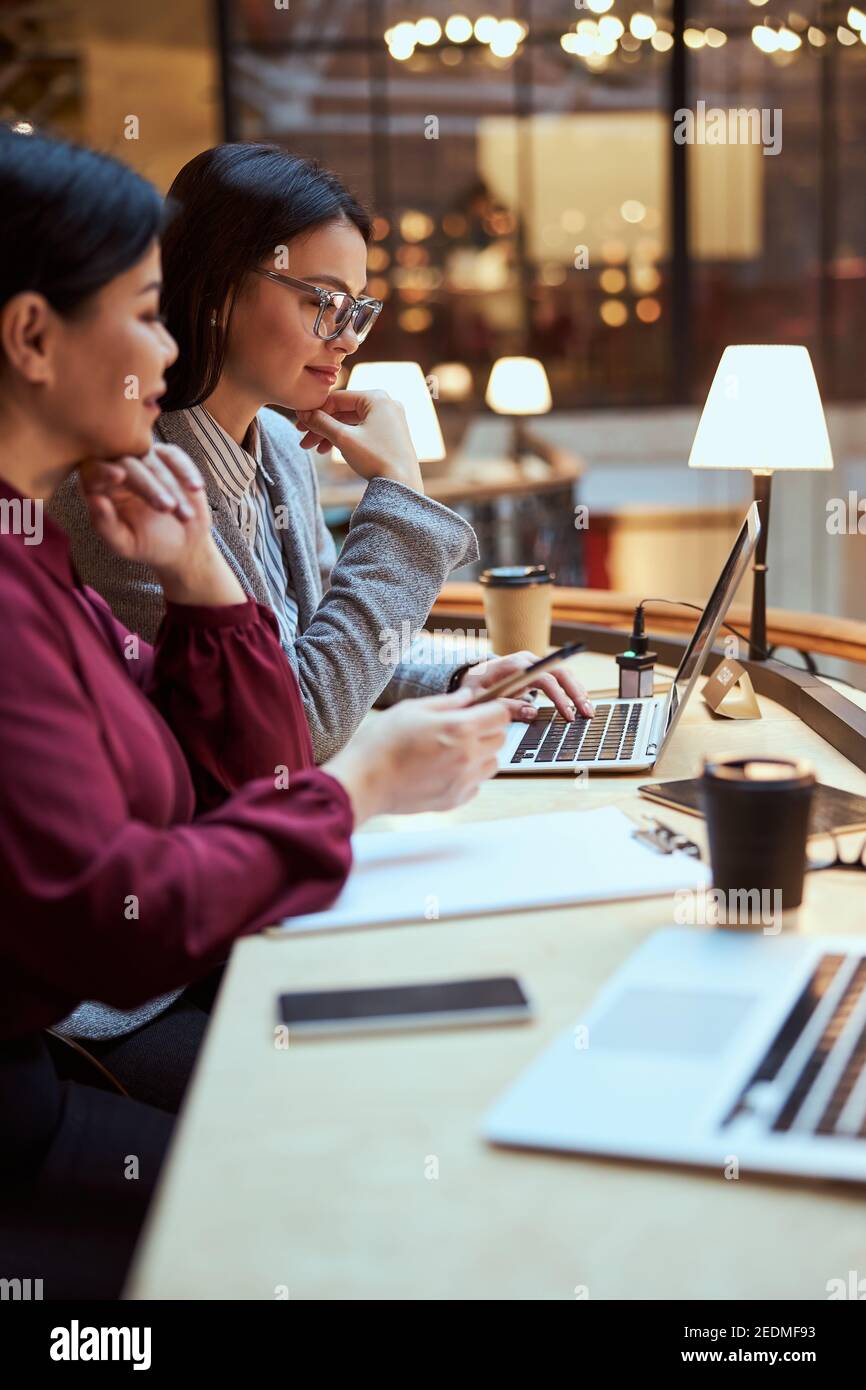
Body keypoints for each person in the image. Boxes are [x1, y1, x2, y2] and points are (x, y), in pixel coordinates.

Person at [0, 127, 509, 1298]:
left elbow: (262, 722)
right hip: (100, 1015)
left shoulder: (79, 533)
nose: (165, 344)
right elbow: (264, 773)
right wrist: (357, 783)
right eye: (146, 309)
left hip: (156, 962)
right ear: (33, 335)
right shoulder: (87, 515)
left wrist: (215, 593)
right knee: (361, 1176)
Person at [49, 141, 592, 1067]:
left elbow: (315, 650)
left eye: (359, 310)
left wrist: (458, 671)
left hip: (259, 901)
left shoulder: (277, 450)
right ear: (217, 287)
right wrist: (405, 501)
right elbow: (290, 731)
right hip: (156, 972)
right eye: (322, 304)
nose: (347, 337)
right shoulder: (134, 490)